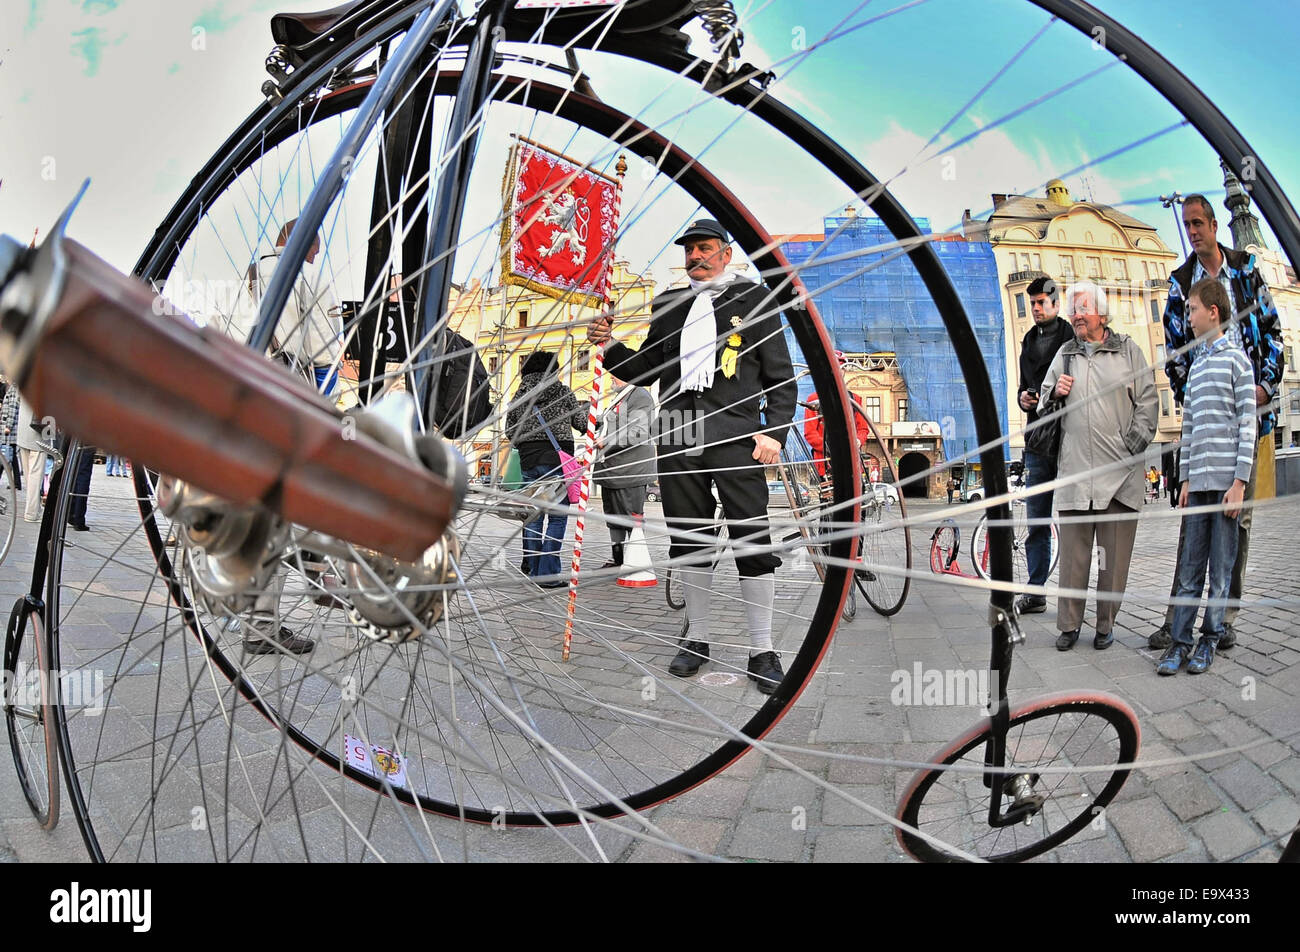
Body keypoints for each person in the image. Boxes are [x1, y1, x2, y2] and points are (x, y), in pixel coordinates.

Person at [588, 218, 797, 694]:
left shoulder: (756, 299)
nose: (694, 257)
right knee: (688, 538)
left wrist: (775, 434)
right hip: (677, 434)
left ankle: (762, 648)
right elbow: (647, 366)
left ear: (726, 253)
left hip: (736, 435)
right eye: (688, 250)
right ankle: (697, 639)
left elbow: (781, 376)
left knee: (751, 537)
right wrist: (607, 345)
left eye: (704, 248)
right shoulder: (669, 302)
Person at [1150, 194, 1283, 652]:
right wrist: (1193, 395)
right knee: (1194, 523)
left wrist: (1263, 389)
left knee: (1237, 518)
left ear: (1213, 224)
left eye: (1198, 224)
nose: (1192, 232)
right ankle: (1177, 621)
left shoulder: (1245, 270)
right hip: (1205, 420)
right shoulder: (1181, 281)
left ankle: (1223, 619)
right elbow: (1174, 351)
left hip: (1250, 411)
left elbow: (1273, 333)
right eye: (1186, 225)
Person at [1039, 281, 1157, 651]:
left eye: (1082, 308)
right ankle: (1069, 625)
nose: (1075, 314)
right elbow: (1042, 401)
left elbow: (1149, 401)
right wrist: (1055, 392)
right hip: (1076, 472)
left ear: (1101, 315)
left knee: (1112, 559)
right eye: (1073, 308)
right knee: (1074, 559)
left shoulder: (1128, 352)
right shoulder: (1065, 354)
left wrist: (1131, 445)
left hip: (1119, 477)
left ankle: (1105, 625)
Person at [1157, 280, 1255, 676]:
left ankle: (1209, 639)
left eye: (1193, 309)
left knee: (1221, 567)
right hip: (1197, 487)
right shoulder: (1197, 365)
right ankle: (1179, 642)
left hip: (1226, 486)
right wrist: (1183, 480)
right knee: (1189, 568)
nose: (1188, 316)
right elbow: (1190, 427)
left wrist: (1240, 483)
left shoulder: (1237, 361)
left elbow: (1247, 423)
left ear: (1213, 312)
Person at [1015, 275, 1074, 615]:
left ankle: (1070, 592)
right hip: (1037, 440)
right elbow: (1025, 387)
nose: (1035, 308)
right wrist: (1023, 398)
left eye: (1041, 302)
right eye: (1032, 303)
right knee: (1036, 521)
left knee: (1070, 521)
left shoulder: (1070, 335)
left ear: (1055, 301)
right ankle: (1035, 592)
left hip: (1068, 439)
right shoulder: (1027, 339)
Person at [505, 351, 586, 586]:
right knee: (558, 517)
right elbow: (581, 423)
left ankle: (532, 568)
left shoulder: (517, 398)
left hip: (529, 461)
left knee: (533, 516)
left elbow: (510, 433)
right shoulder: (562, 392)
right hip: (557, 460)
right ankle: (547, 574)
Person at [245, 219, 344, 395]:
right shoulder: (311, 276)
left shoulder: (242, 277)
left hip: (238, 381)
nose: (313, 261)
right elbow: (323, 350)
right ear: (303, 243)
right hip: (279, 390)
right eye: (314, 254)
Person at [595, 374, 656, 570]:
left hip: (630, 468)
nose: (612, 377)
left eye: (618, 373)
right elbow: (610, 423)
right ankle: (618, 559)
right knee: (613, 517)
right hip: (612, 469)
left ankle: (636, 561)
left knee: (632, 517)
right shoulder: (619, 398)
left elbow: (639, 431)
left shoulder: (639, 395)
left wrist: (607, 441)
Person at [16, 396, 48, 523]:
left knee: (29, 477)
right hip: (38, 432)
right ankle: (32, 513)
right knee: (35, 476)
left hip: (23, 430)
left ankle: (35, 508)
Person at [1, 379, 20, 492]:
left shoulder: (12, 390)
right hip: (9, 430)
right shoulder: (12, 389)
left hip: (8, 431)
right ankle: (16, 482)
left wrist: (8, 426)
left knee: (6, 456)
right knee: (11, 457)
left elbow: (12, 409)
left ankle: (16, 482)